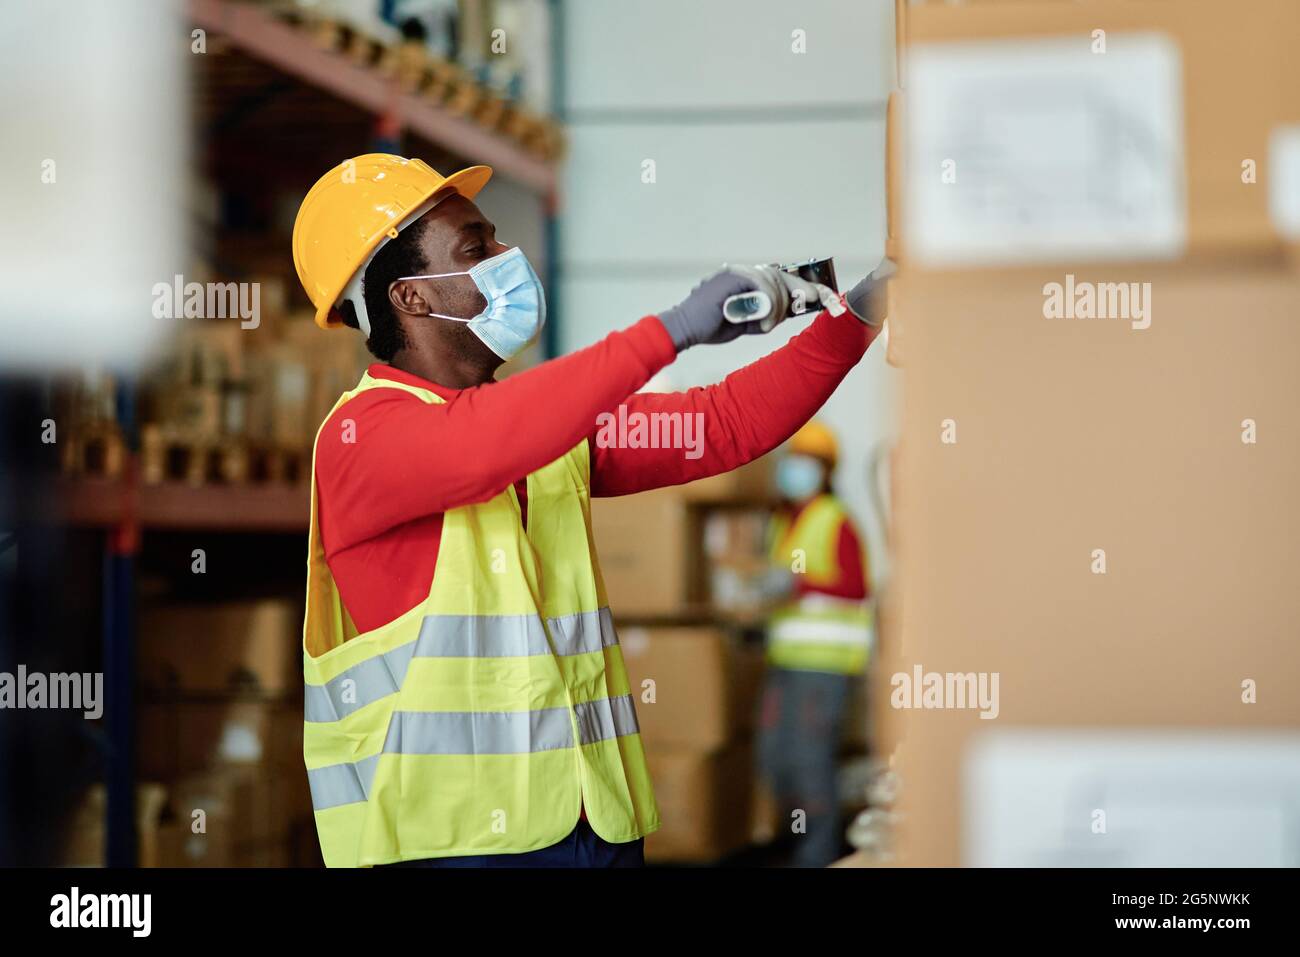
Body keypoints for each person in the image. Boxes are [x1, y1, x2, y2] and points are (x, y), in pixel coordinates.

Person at [290, 153, 883, 867]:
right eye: (477, 249)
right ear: (411, 298)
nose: (508, 258)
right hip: (451, 844)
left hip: (593, 824)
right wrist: (674, 329)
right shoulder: (362, 437)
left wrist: (861, 313)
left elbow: (723, 424)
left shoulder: (542, 431)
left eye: (498, 238)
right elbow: (479, 447)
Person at [758, 421, 872, 867]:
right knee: (775, 760)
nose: (797, 468)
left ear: (826, 471)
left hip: (824, 667)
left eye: (808, 461)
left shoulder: (834, 519)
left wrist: (799, 584)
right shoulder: (783, 521)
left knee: (810, 765)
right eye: (793, 459)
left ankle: (817, 856)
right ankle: (798, 847)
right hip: (785, 660)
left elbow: (857, 589)